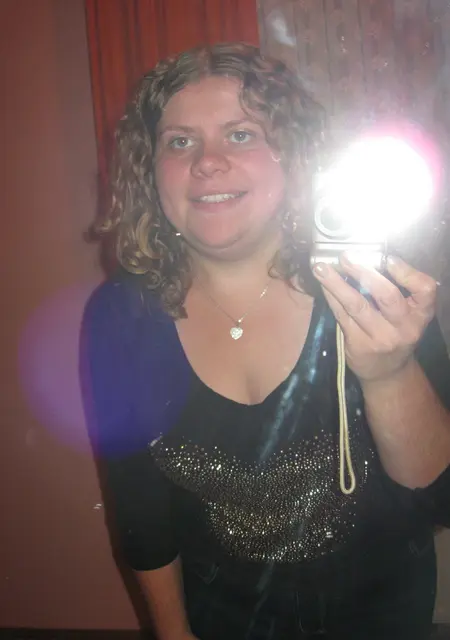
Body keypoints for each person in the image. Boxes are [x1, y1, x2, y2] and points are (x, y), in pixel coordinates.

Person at [81, 43, 450, 640]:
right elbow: (141, 509)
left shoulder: (372, 285)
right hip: (222, 620)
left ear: (293, 157)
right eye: (180, 141)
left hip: (382, 614)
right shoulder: (119, 317)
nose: (208, 161)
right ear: (150, 172)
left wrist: (389, 372)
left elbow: (439, 501)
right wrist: (174, 635)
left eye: (241, 134)